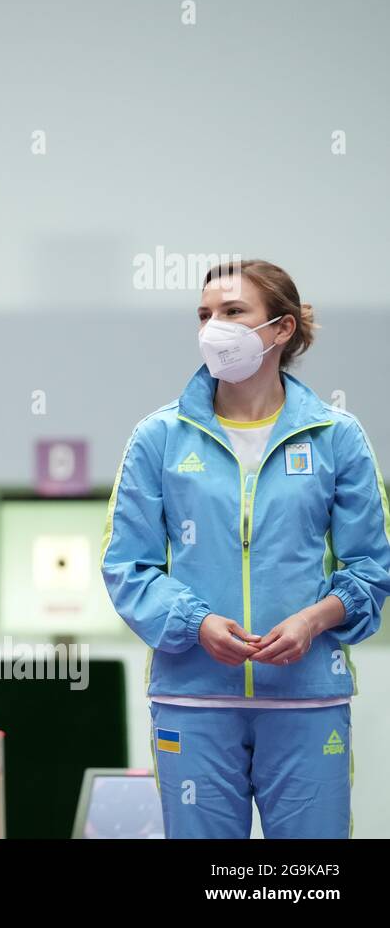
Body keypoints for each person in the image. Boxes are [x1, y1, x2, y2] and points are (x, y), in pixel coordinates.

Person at [102, 259, 390, 838]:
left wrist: (313, 620)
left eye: (234, 312)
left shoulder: (338, 436)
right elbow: (127, 565)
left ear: (281, 329)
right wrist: (196, 621)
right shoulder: (158, 437)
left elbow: (370, 567)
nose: (214, 327)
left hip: (309, 700)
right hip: (193, 699)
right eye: (204, 314)